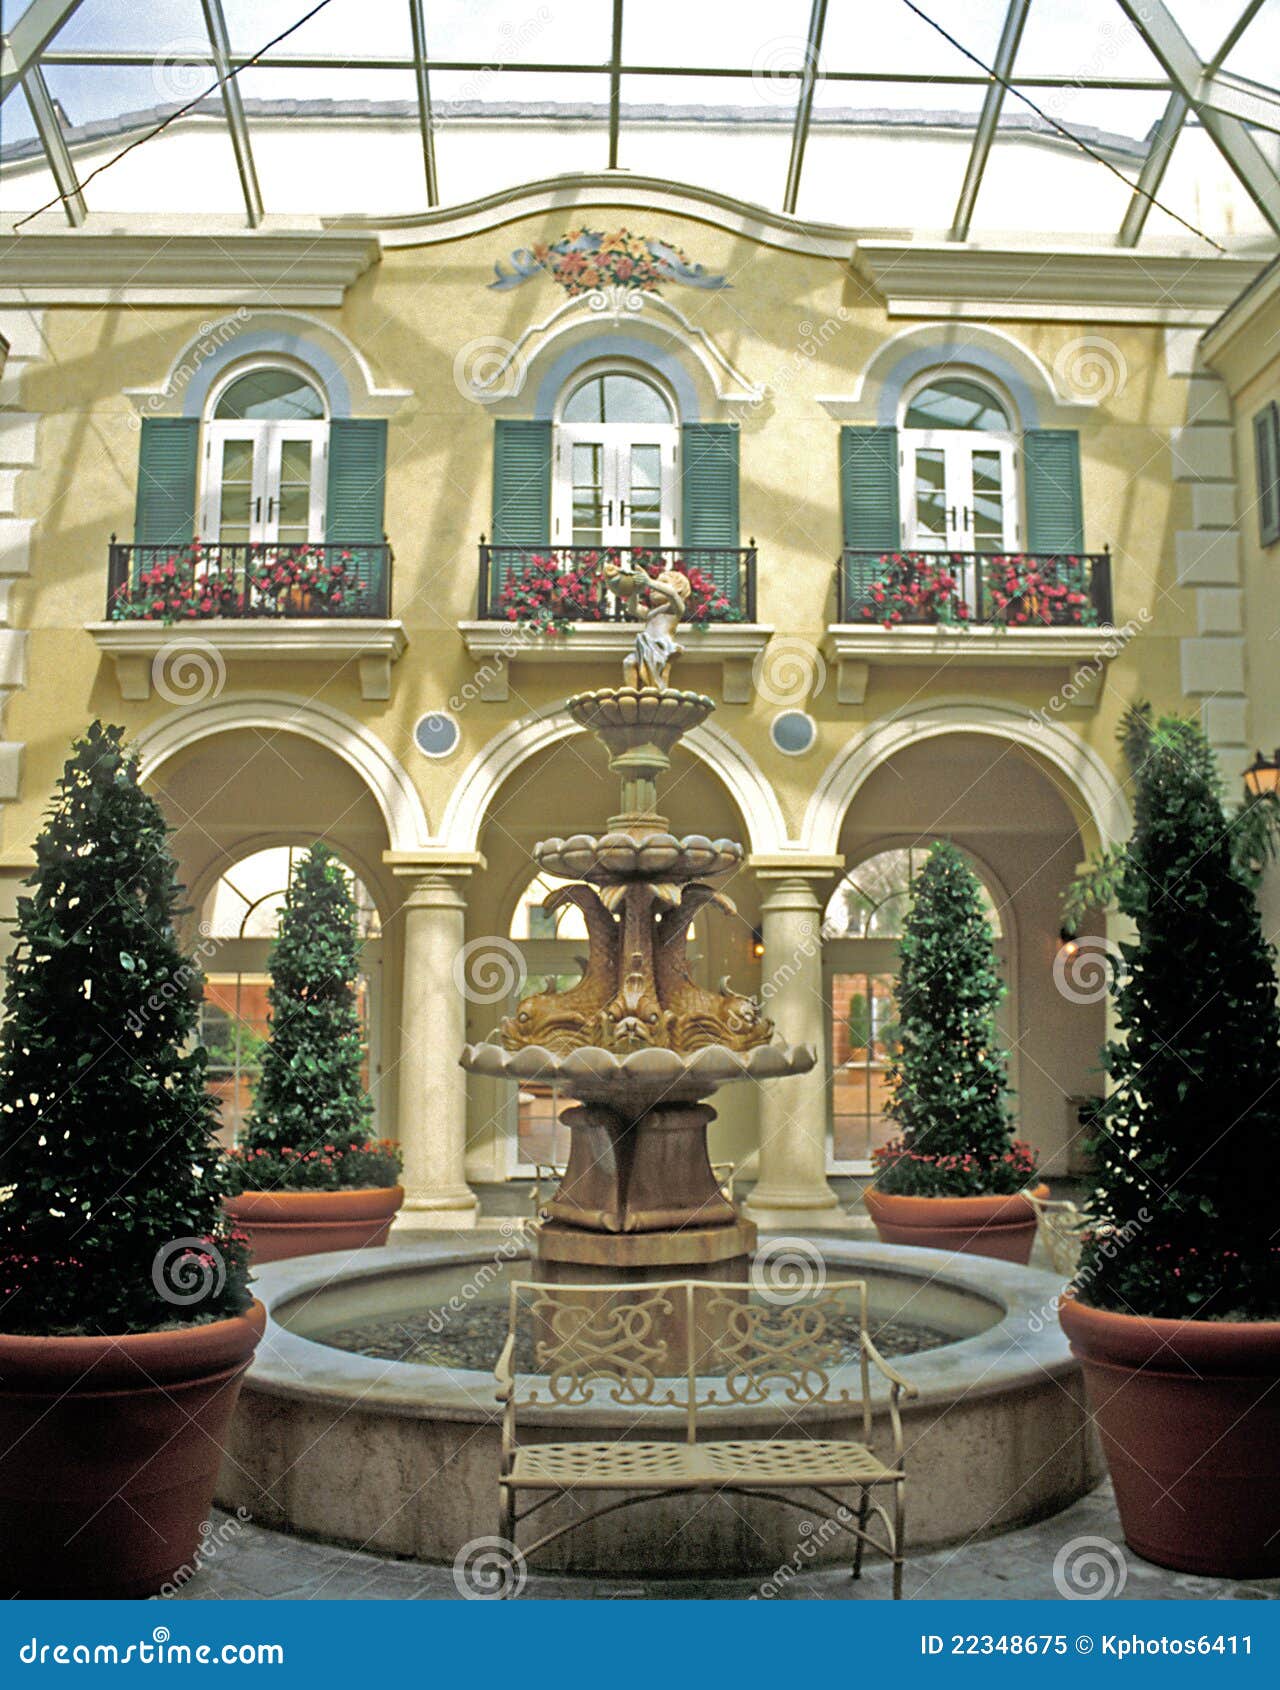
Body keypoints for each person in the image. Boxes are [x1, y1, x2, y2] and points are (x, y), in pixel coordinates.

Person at [602, 558, 692, 690]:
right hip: (645, 647)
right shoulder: (651, 613)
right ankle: (631, 694)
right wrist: (634, 591)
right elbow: (632, 609)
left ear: (678, 588)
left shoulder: (675, 609)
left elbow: (672, 594)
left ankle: (660, 693)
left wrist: (649, 581)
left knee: (660, 675)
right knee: (629, 662)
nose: (654, 588)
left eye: (663, 583)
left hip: (661, 648)